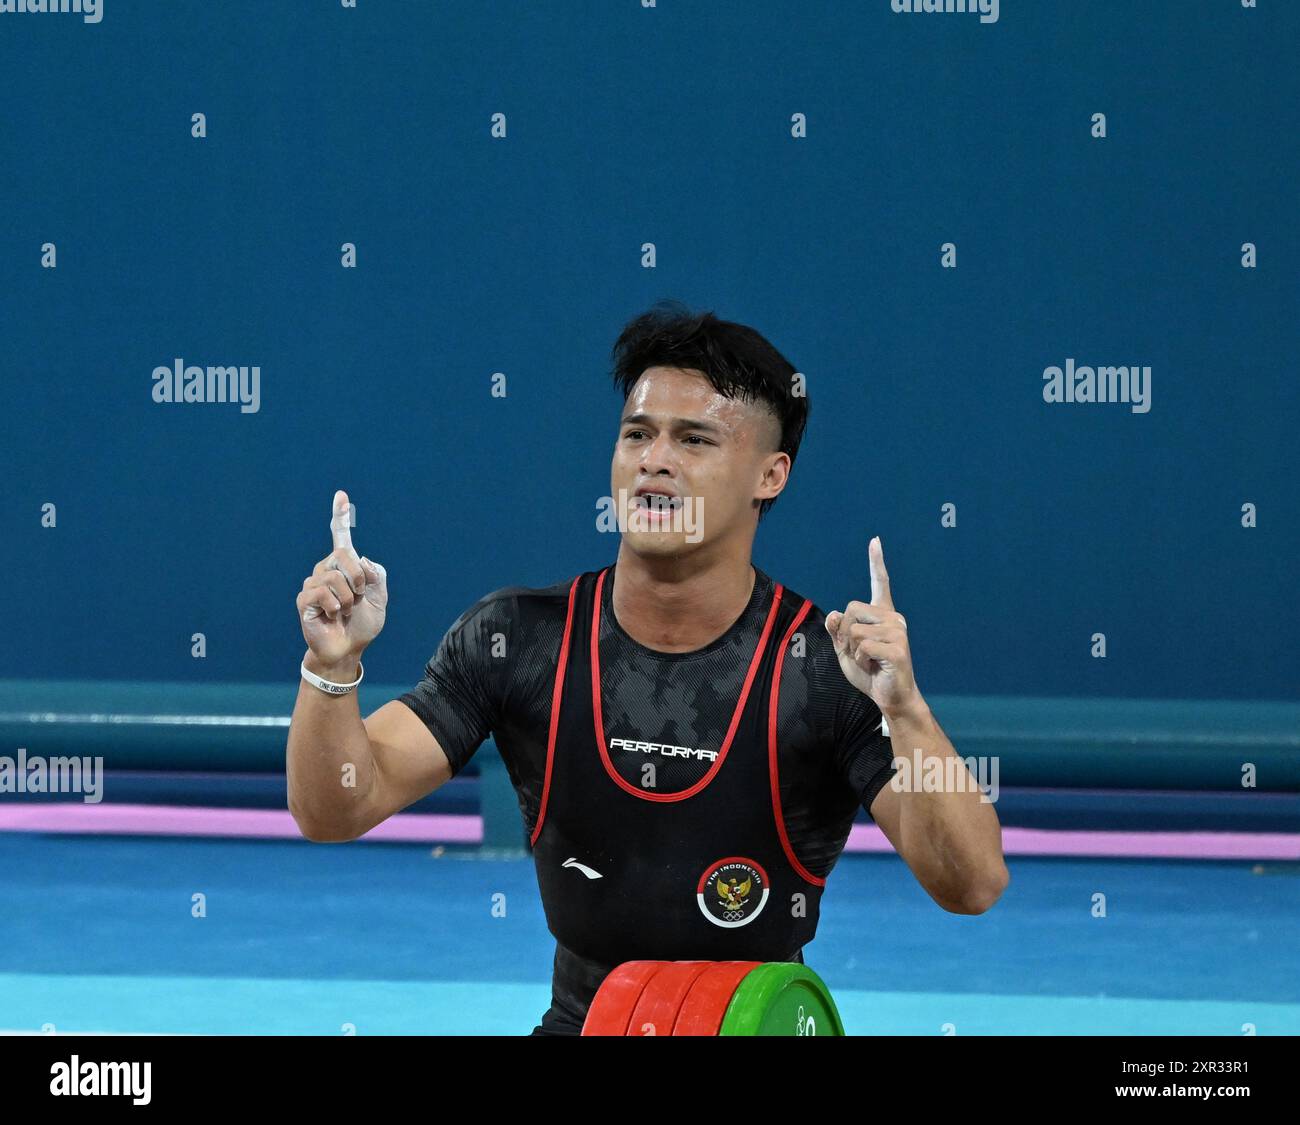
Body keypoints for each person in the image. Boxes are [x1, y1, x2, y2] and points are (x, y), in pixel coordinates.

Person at [286, 301, 1009, 1035]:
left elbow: (973, 883)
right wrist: (330, 665)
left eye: (694, 439)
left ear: (771, 474)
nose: (653, 460)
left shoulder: (823, 670)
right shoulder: (517, 637)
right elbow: (336, 807)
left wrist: (906, 711)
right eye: (637, 433)